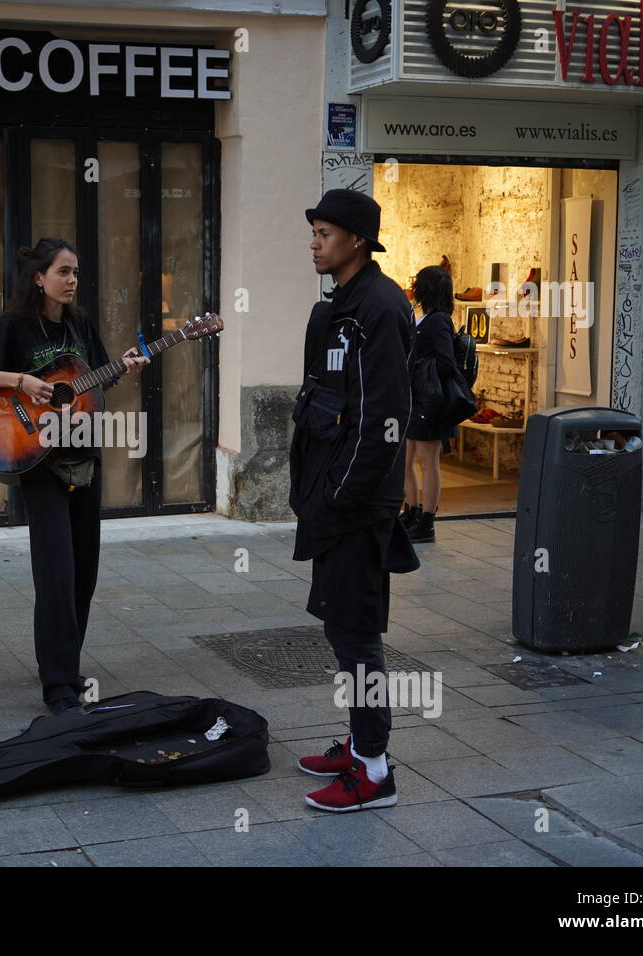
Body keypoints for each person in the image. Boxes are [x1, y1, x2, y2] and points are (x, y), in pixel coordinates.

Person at [0, 238, 149, 715]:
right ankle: (58, 686)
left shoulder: (80, 324)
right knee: (56, 571)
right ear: (39, 277)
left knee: (84, 569)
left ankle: (62, 661)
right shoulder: (14, 327)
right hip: (40, 462)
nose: (72, 280)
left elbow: (94, 379)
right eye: (63, 271)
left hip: (83, 456)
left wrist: (123, 367)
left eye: (76, 272)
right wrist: (21, 381)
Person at [288, 190, 419, 812]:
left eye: (324, 232)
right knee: (342, 631)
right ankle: (356, 741)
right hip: (332, 500)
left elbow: (383, 417)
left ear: (357, 241)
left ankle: (373, 771)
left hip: (356, 506)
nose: (314, 241)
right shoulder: (341, 303)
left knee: (358, 635)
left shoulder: (382, 307)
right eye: (313, 231)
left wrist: (340, 494)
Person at [401, 265, 460, 544]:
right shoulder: (426, 318)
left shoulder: (438, 321)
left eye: (418, 284)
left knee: (428, 461)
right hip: (417, 399)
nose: (414, 288)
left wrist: (419, 369)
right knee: (406, 459)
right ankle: (411, 511)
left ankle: (426, 520)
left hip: (429, 401)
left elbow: (447, 362)